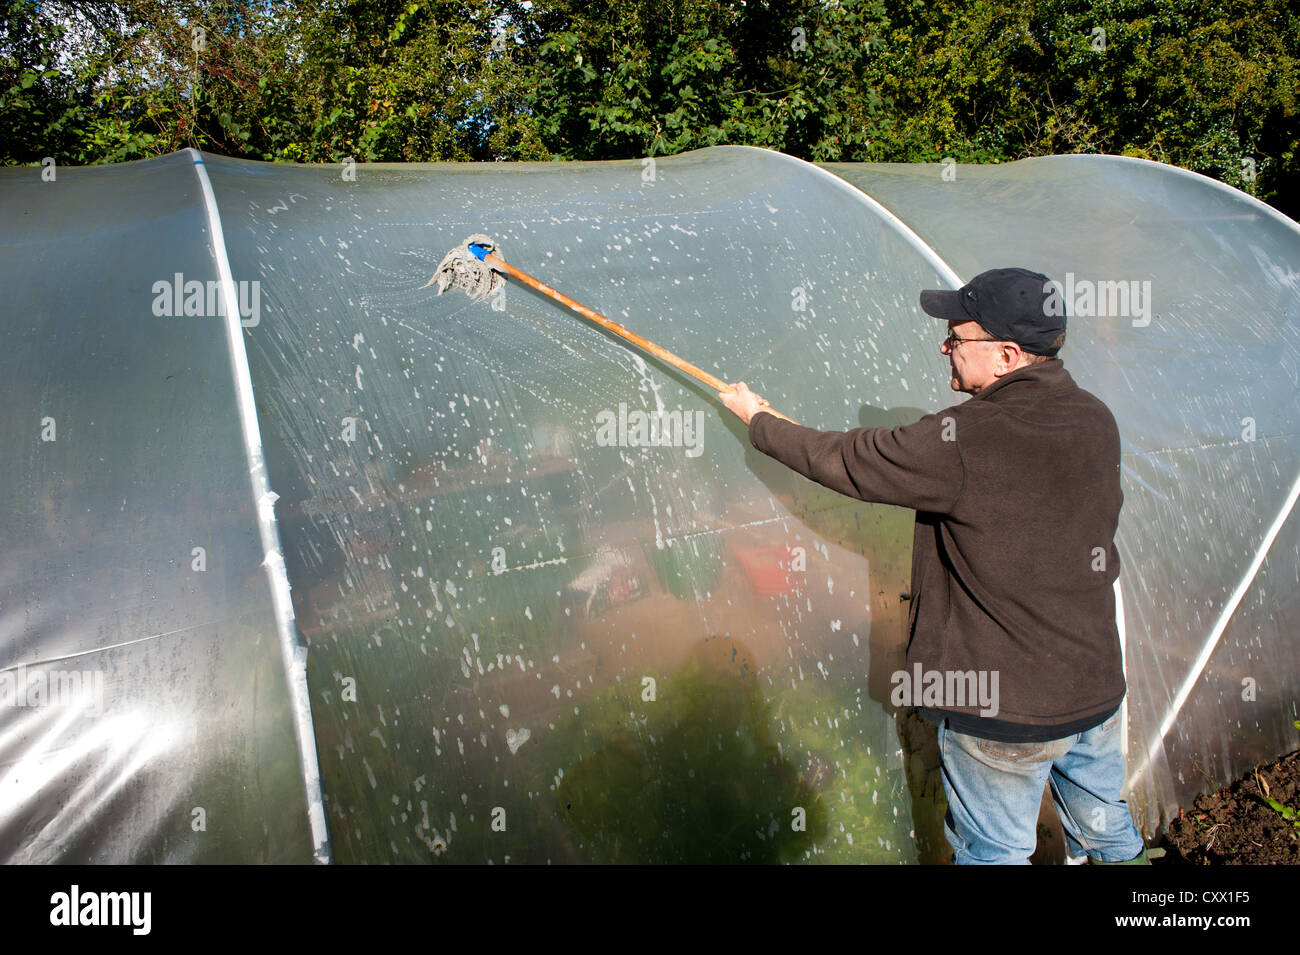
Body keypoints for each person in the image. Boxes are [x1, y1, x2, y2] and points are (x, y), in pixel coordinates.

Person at [718, 267, 1149, 865]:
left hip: (1004, 713)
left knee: (994, 854)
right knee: (1108, 837)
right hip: (1093, 693)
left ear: (1004, 354)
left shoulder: (967, 438)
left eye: (956, 337)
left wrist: (757, 420)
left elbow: (847, 460)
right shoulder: (1094, 418)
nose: (944, 347)